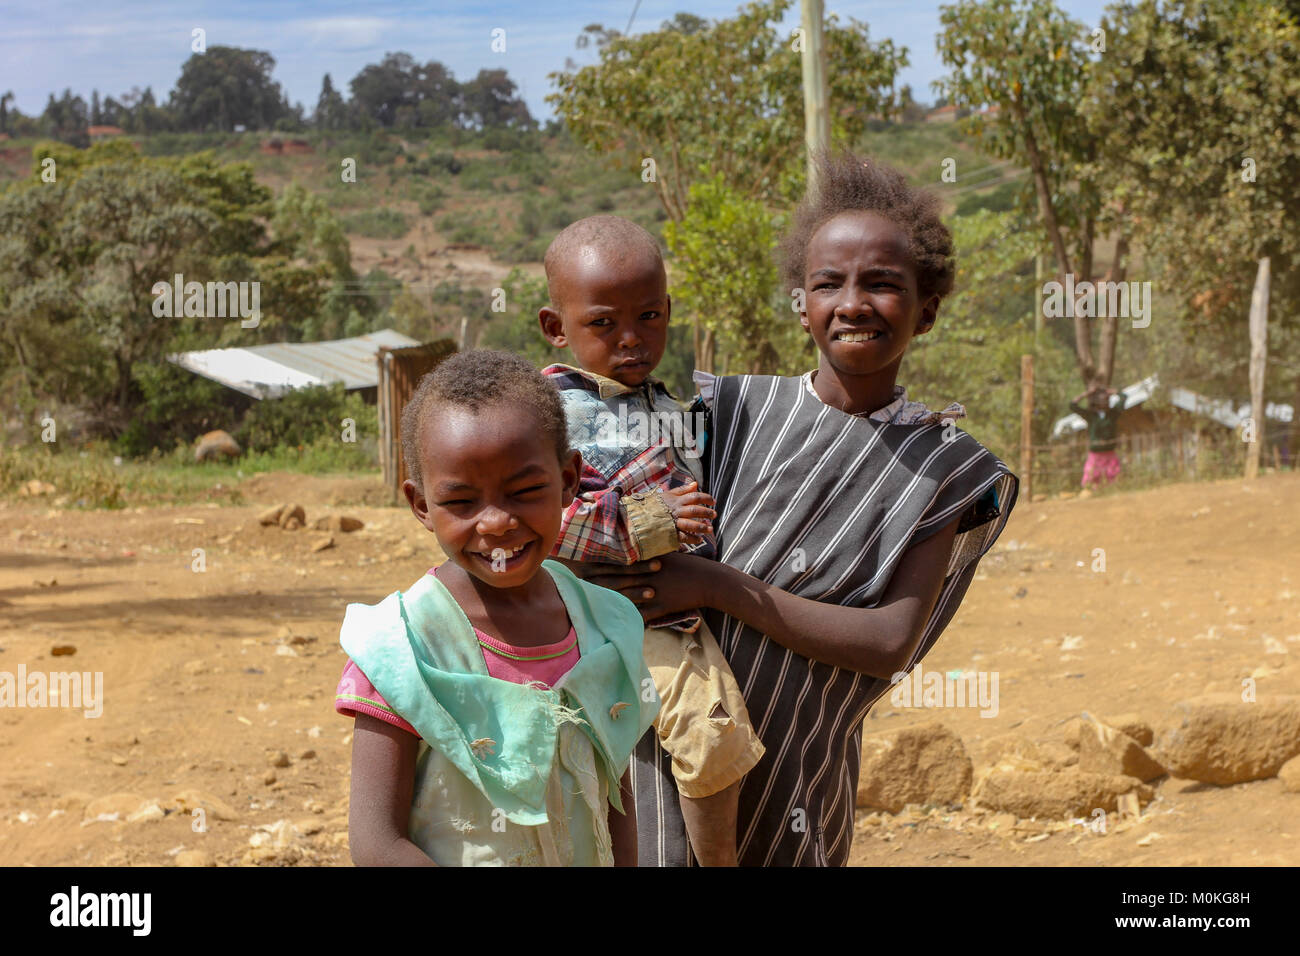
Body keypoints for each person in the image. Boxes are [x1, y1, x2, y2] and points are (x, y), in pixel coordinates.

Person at [580, 152, 1019, 866]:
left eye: (882, 284)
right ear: (803, 304)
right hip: (659, 748)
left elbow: (888, 644)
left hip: (801, 769)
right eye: (828, 284)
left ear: (927, 309)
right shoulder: (729, 409)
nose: (852, 303)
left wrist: (718, 586)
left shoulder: (947, 470)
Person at [335, 349, 658, 866]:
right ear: (421, 505)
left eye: (526, 491)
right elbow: (376, 841)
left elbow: (611, 802)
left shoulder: (604, 626)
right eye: (461, 502)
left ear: (570, 480)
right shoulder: (401, 649)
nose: (495, 523)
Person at [536, 215, 765, 867]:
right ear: (557, 328)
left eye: (651, 317)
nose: (632, 339)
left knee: (712, 728)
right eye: (604, 324)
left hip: (668, 610)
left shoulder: (670, 407)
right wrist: (646, 523)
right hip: (601, 616)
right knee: (699, 730)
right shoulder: (549, 412)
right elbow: (540, 520)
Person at [1070, 385, 1124, 488]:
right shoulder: (1091, 416)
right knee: (1092, 476)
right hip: (1095, 453)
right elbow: (1072, 406)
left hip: (1110, 452)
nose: (1103, 402)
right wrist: (1086, 394)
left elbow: (1124, 397)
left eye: (1105, 399)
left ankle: (1111, 492)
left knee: (1113, 475)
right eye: (1101, 400)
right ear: (1096, 402)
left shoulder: (1113, 414)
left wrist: (1112, 391)